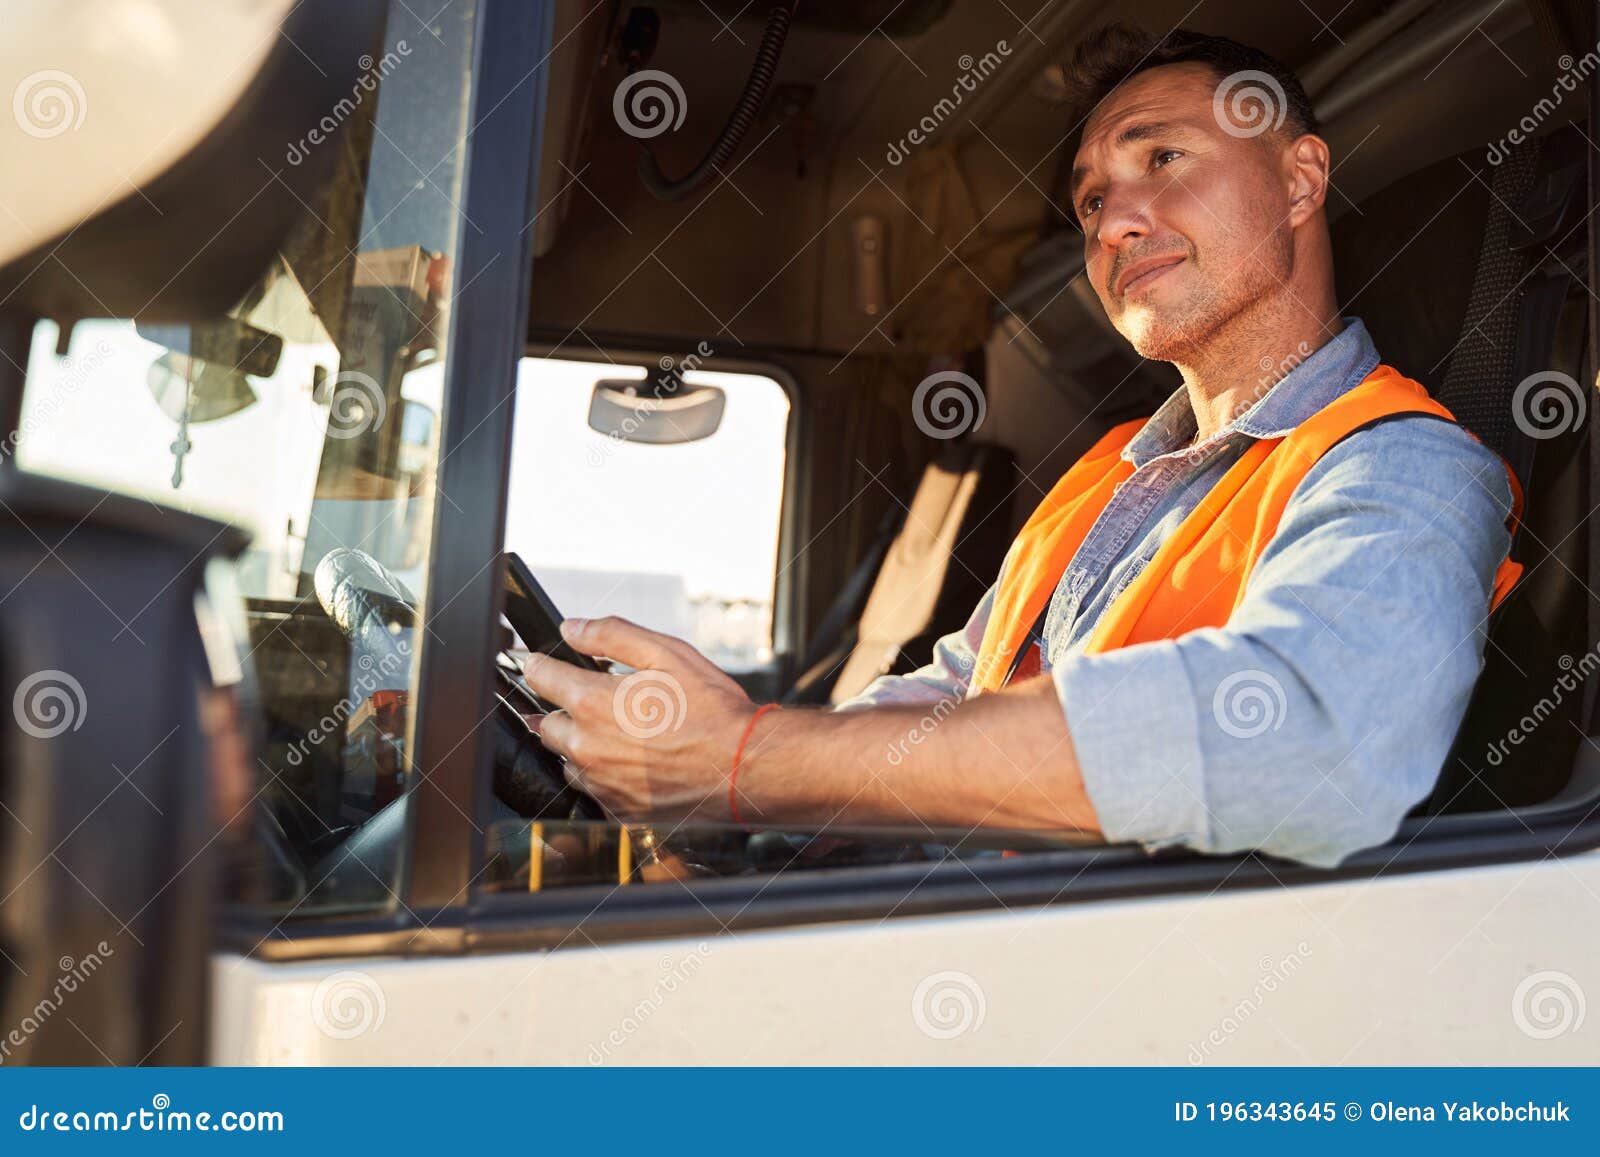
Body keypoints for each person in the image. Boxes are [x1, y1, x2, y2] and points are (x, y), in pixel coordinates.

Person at [524, 24, 1522, 868]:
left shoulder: (1400, 465)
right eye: (1090, 200)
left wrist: (751, 760)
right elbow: (953, 691)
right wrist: (727, 793)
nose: (1116, 221)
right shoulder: (1102, 478)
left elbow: (1312, 743)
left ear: (1300, 178)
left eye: (1160, 159)